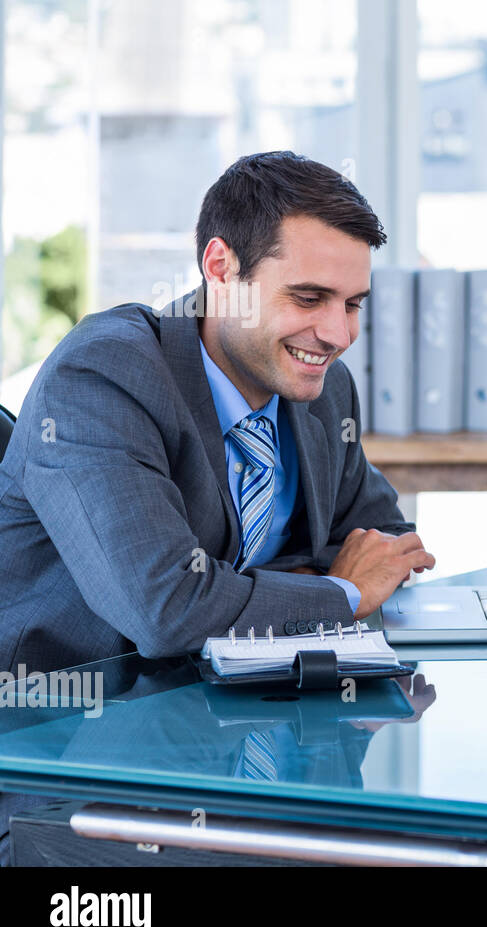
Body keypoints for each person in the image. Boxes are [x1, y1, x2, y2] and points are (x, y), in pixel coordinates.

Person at [0, 151, 435, 675]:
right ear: (221, 268)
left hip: (231, 711)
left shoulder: (322, 388)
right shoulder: (105, 377)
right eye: (308, 297)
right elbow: (165, 610)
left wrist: (246, 592)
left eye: (351, 304)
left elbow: (386, 542)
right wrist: (340, 592)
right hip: (66, 721)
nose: (338, 335)